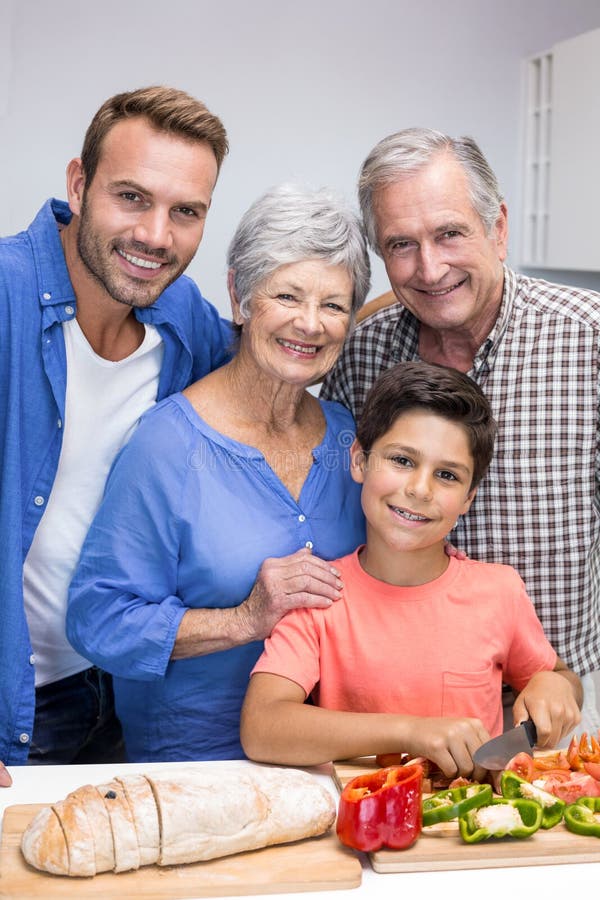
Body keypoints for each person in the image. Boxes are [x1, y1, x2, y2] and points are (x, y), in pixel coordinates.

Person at [66, 183, 371, 762]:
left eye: (333, 305)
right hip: (199, 771)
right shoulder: (168, 445)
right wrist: (244, 619)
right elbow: (98, 620)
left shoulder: (348, 438)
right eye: (287, 295)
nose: (310, 324)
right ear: (239, 297)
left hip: (332, 768)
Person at [321, 127, 600, 734]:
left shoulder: (589, 341)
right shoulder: (360, 352)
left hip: (552, 704)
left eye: (449, 233)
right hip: (383, 715)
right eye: (401, 244)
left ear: (497, 227)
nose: (430, 268)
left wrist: (561, 680)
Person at [0, 85, 232, 782]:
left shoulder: (182, 318)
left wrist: (390, 304)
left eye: (185, 212)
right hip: (18, 709)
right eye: (132, 197)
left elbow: (275, 349)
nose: (156, 236)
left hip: (122, 692)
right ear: (79, 183)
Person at [241, 362, 582, 775]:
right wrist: (410, 732)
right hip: (361, 820)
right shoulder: (321, 594)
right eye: (402, 460)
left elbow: (559, 677)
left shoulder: (498, 591)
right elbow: (262, 726)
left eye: (446, 475)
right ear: (360, 461)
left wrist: (556, 686)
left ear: (469, 498)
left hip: (468, 825)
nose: (420, 489)